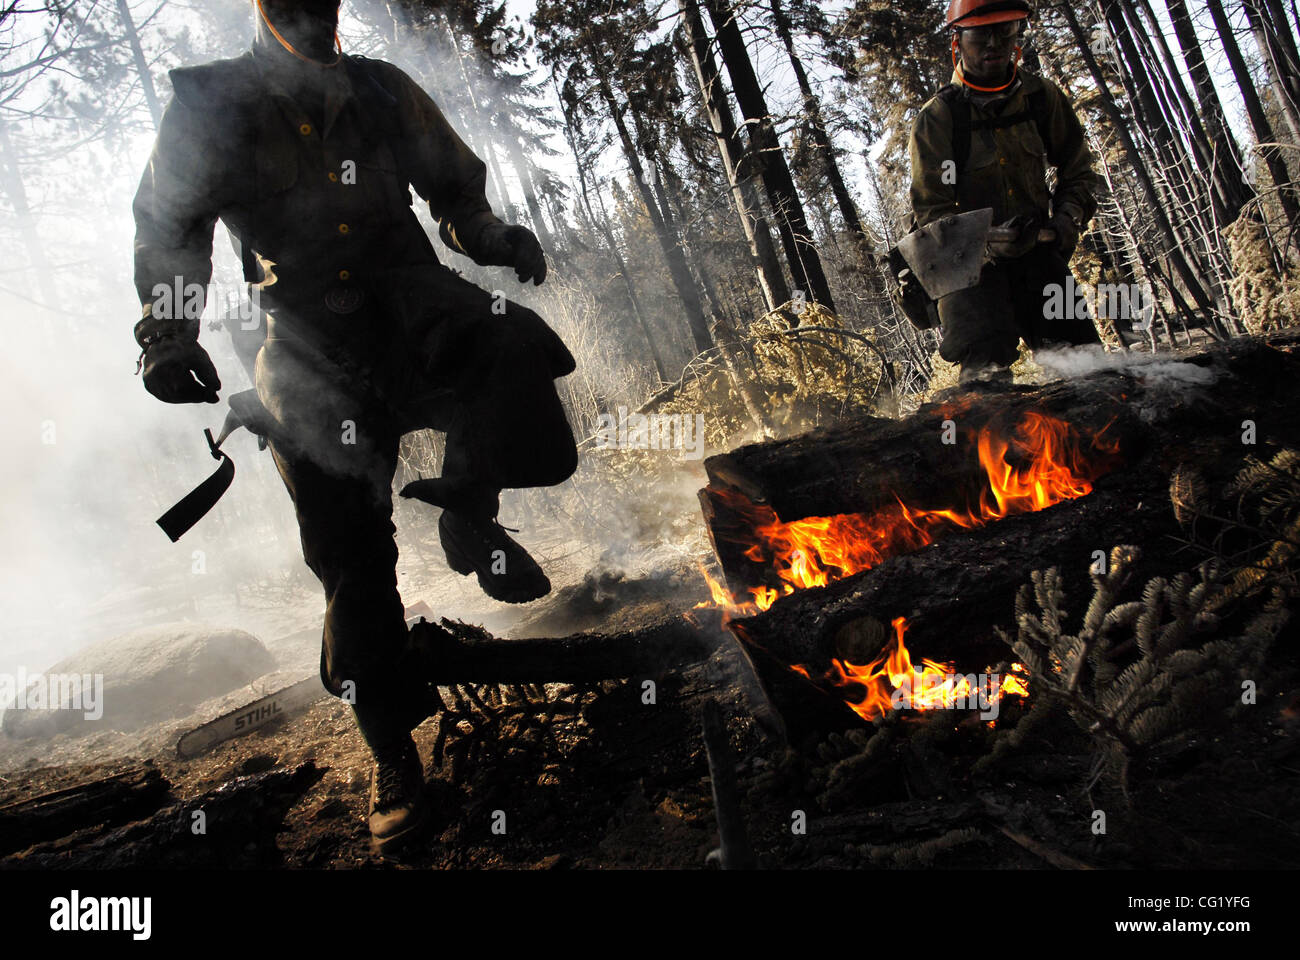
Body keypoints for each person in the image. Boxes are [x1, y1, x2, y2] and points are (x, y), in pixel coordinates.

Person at [130, 0, 578, 854]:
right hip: (303, 340)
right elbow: (171, 225)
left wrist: (491, 236)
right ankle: (391, 750)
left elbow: (455, 191)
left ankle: (467, 513)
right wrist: (167, 332)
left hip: (414, 309)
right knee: (350, 549)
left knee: (510, 340)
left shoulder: (384, 90)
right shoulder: (210, 103)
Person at [908, 0, 1102, 383]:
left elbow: (1078, 171)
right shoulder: (939, 119)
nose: (994, 43)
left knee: (1089, 371)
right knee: (985, 389)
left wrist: (1066, 220)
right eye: (981, 34)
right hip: (969, 271)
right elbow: (933, 213)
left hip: (1039, 256)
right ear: (958, 40)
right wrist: (989, 240)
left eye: (1005, 30)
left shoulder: (1042, 99)